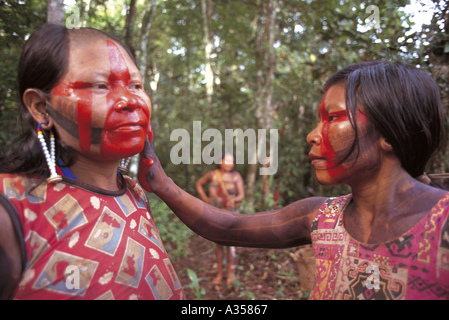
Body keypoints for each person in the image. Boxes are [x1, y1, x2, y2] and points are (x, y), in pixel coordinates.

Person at [139, 61, 449, 299]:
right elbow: (229, 227)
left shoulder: (443, 222)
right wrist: (160, 182)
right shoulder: (321, 217)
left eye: (334, 117)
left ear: (391, 132)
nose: (312, 135)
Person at [0, 24, 184, 300]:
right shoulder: (10, 208)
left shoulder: (133, 190)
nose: (130, 100)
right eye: (100, 85)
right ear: (40, 107)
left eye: (136, 85)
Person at [195, 153, 245, 286]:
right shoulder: (212, 175)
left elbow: (241, 195)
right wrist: (205, 199)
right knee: (218, 243)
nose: (230, 163)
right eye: (227, 160)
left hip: (231, 215)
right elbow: (199, 184)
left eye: (232, 161)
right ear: (220, 161)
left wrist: (233, 199)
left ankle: (230, 273)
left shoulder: (236, 176)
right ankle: (220, 273)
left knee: (230, 243)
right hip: (215, 214)